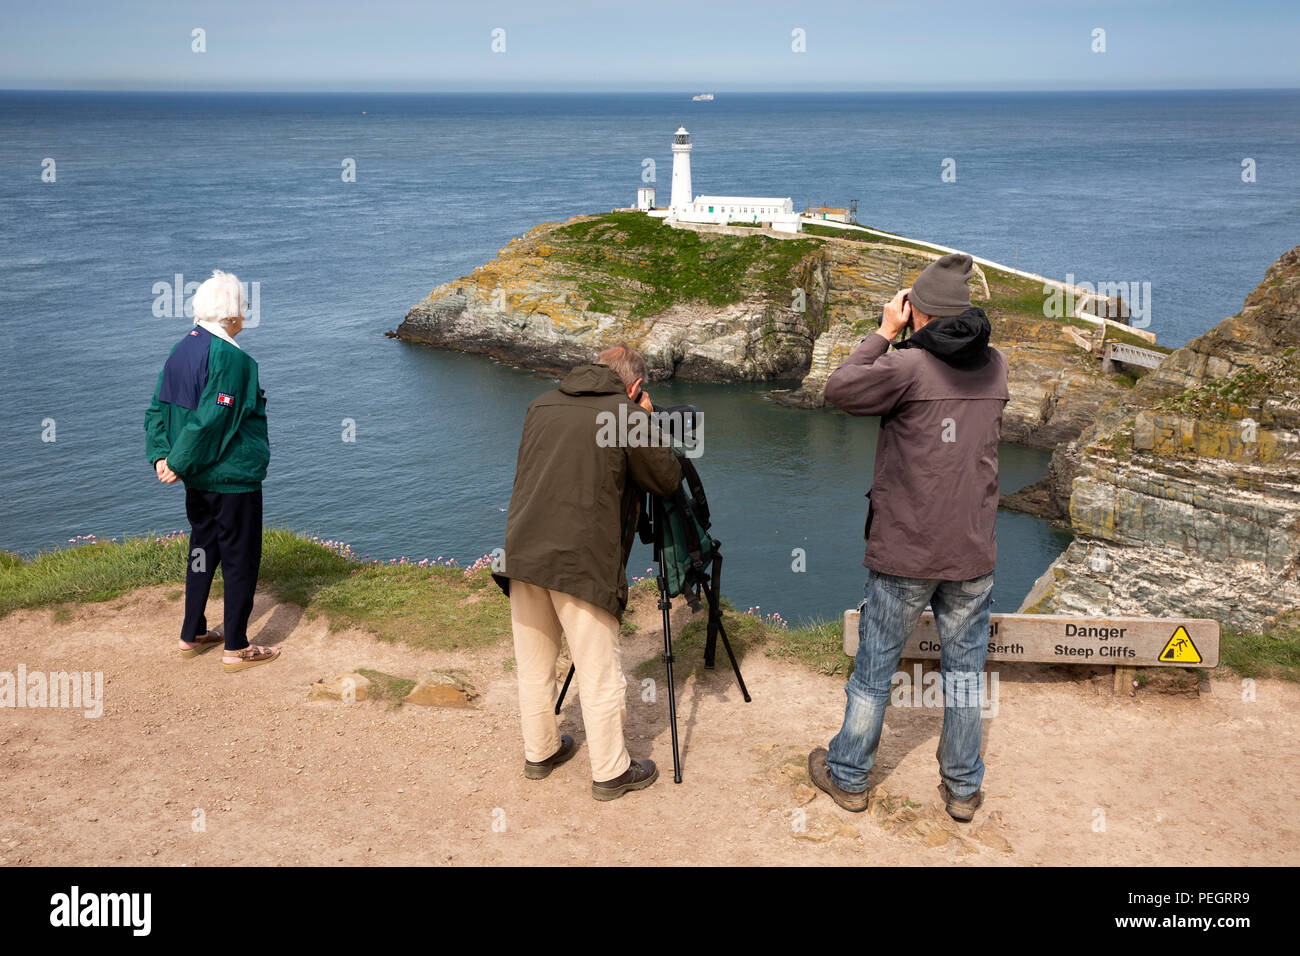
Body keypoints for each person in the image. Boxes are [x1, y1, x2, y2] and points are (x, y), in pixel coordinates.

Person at [808, 253, 1009, 822]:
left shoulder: (906, 368)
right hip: (972, 551)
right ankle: (963, 788)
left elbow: (839, 389)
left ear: (916, 312)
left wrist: (883, 333)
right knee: (966, 675)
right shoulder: (997, 367)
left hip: (906, 552)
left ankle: (848, 776)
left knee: (875, 670)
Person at [494, 344, 682, 801]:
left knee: (534, 666)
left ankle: (540, 753)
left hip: (523, 553)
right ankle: (611, 773)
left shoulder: (541, 404)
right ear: (634, 386)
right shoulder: (624, 413)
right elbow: (667, 477)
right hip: (580, 562)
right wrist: (648, 419)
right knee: (599, 672)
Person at [144, 270, 276, 673]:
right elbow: (213, 418)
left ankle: (193, 632)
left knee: (203, 549)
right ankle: (236, 647)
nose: (246, 315)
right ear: (232, 313)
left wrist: (162, 457)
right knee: (240, 557)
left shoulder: (182, 348)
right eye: (244, 308)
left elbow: (157, 410)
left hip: (198, 478)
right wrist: (178, 462)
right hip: (231, 477)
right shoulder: (232, 358)